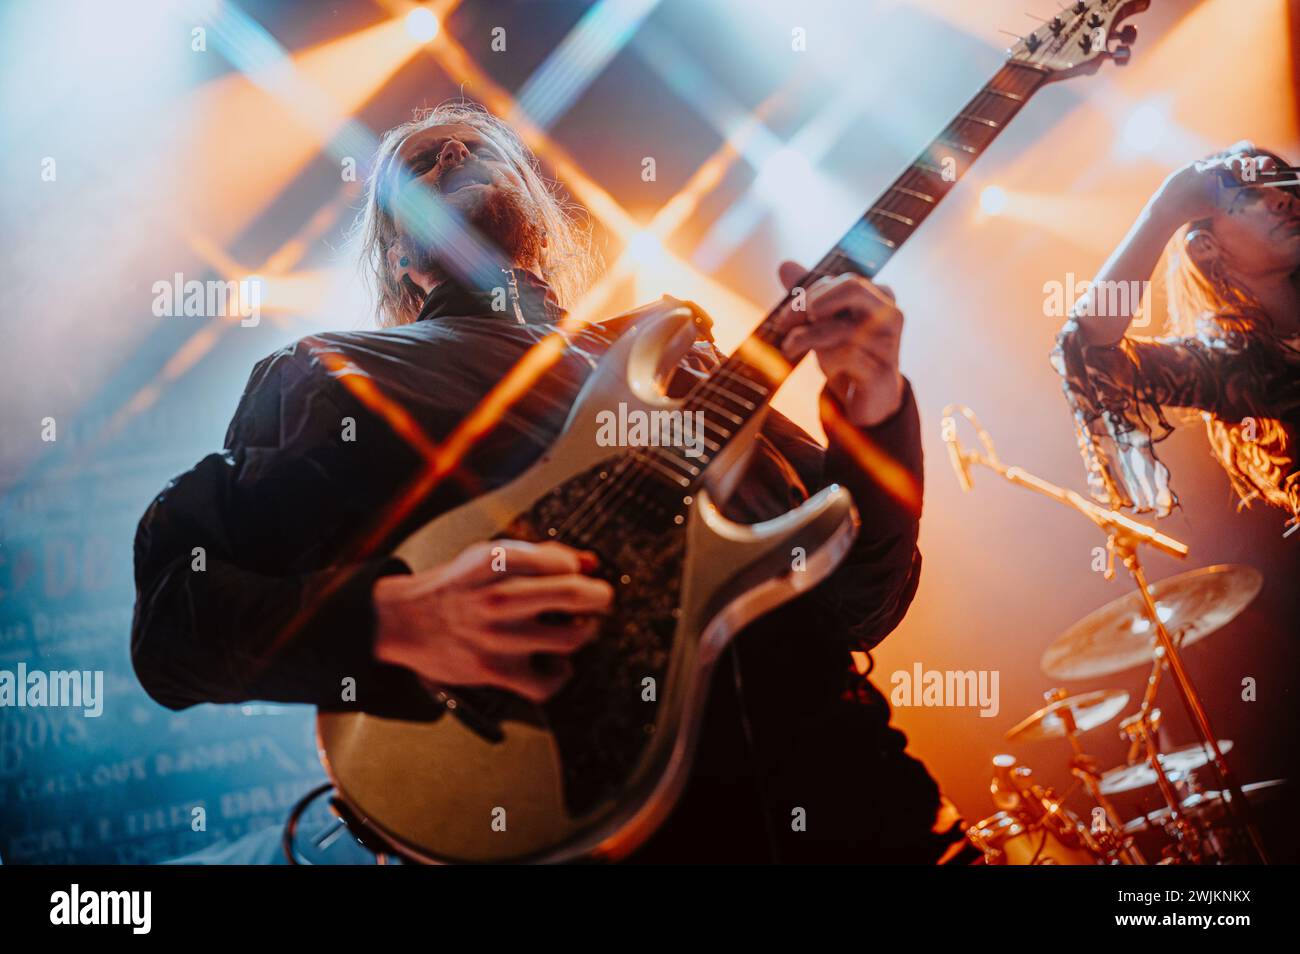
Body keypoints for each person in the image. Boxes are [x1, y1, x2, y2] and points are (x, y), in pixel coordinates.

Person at [133, 102, 965, 864]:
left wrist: (876, 411)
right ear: (401, 262)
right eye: (419, 167)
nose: (453, 150)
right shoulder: (334, 376)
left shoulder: (683, 361)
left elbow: (862, 601)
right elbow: (173, 622)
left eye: (473, 145)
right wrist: (390, 619)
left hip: (863, 817)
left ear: (535, 212)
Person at [1053, 142, 1300, 525]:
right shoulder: (1228, 365)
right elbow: (1088, 348)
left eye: (1281, 185)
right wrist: (1165, 209)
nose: (1282, 199)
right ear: (1206, 248)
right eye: (1250, 193)